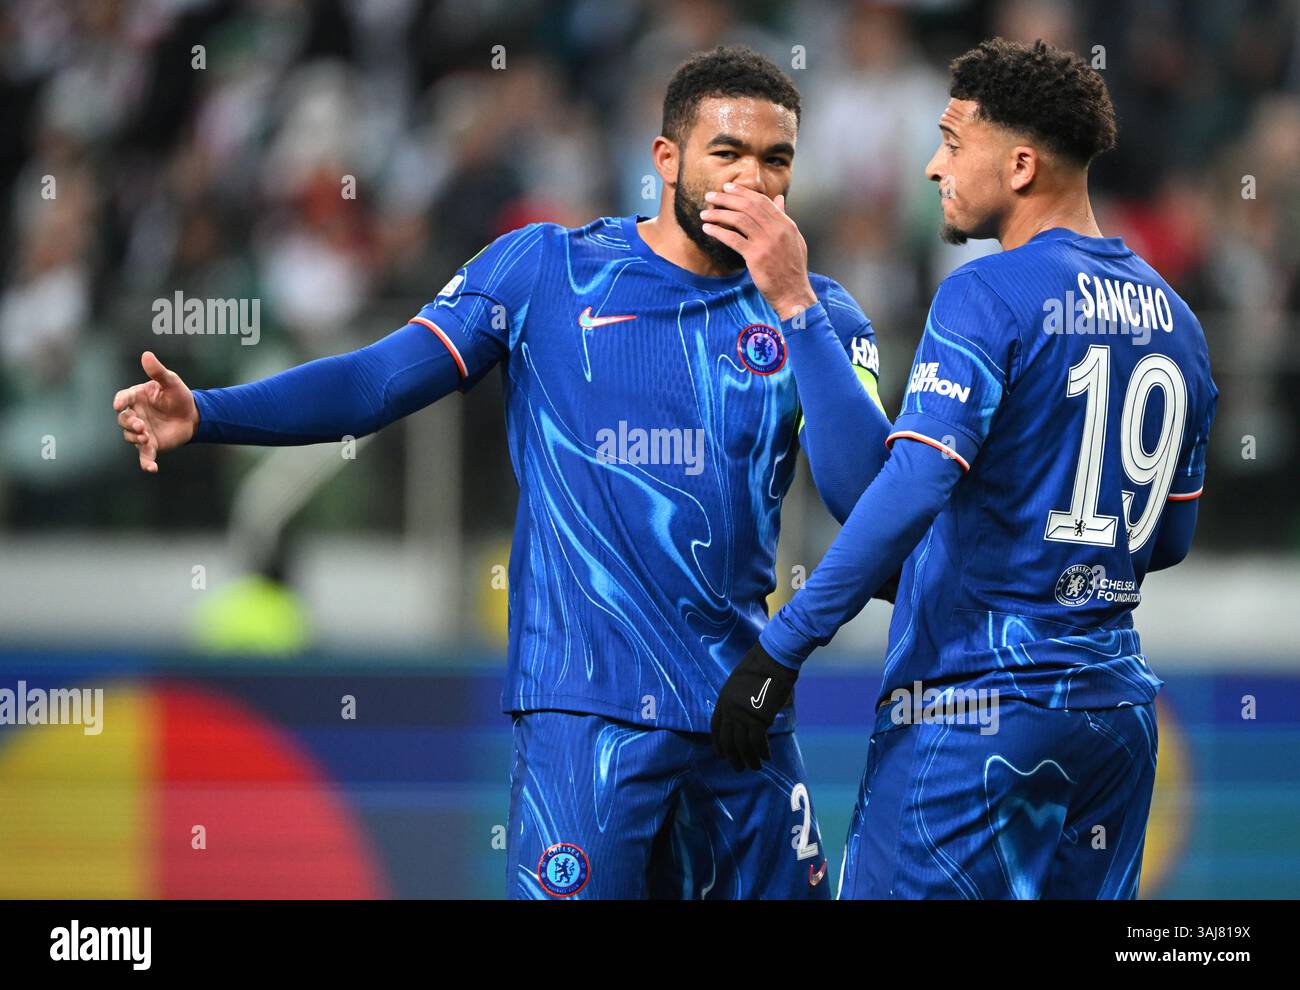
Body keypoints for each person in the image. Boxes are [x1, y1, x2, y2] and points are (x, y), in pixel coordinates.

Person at [113, 46, 893, 899]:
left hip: (743, 710)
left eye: (776, 160)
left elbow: (863, 495)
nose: (753, 181)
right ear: (665, 158)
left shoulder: (823, 316)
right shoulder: (545, 271)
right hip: (583, 715)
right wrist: (210, 412)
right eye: (727, 153)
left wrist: (796, 306)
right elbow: (376, 380)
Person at [711, 38, 1218, 900]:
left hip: (977, 710)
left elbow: (909, 486)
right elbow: (1167, 538)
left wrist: (781, 648)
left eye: (952, 142)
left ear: (1020, 165)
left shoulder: (986, 293)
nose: (929, 166)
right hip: (1116, 717)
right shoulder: (1178, 320)